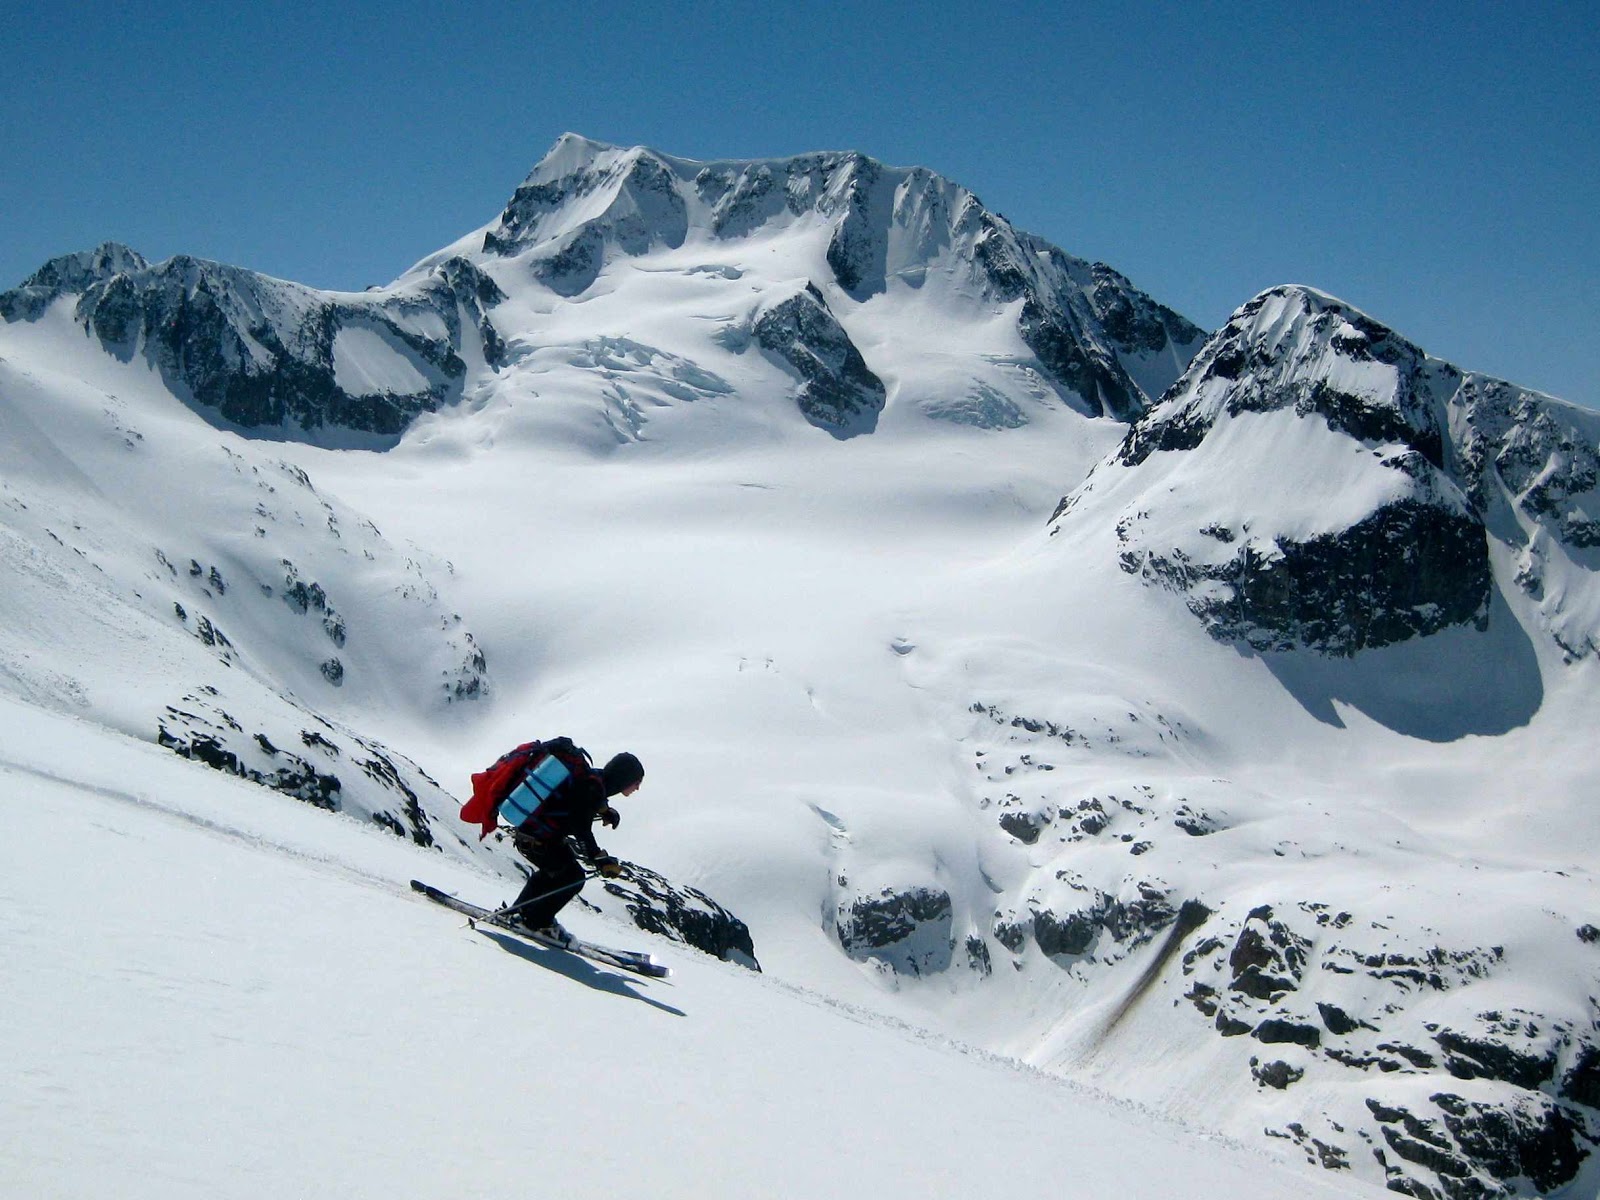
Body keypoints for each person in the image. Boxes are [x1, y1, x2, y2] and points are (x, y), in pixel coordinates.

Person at [502, 748, 645, 944]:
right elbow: (582, 828)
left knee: (552, 872)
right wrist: (600, 859)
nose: (637, 788)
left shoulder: (595, 779)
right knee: (573, 878)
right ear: (625, 778)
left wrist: (606, 812)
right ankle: (537, 923)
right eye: (637, 782)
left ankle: (518, 913)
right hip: (539, 839)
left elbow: (584, 804)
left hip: (530, 833)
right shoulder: (593, 789)